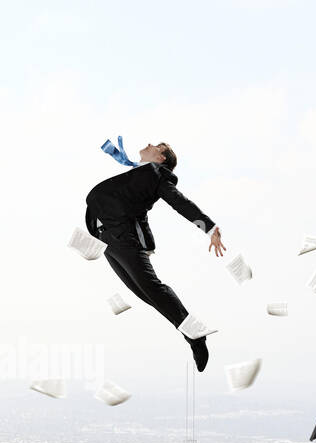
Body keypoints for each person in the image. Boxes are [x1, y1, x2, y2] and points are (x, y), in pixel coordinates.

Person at [84, 141, 226, 371]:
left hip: (124, 236)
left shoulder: (158, 174)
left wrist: (208, 227)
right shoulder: (141, 172)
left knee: (151, 287)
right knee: (142, 292)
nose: (149, 143)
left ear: (161, 158)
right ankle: (189, 331)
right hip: (107, 238)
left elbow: (181, 203)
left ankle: (195, 334)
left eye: (157, 145)